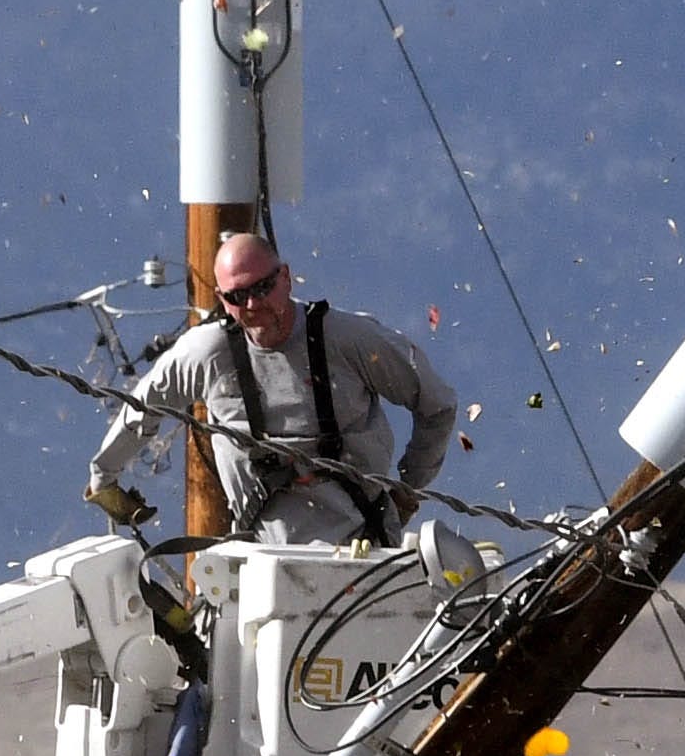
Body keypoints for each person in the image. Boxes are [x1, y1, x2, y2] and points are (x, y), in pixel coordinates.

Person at [86, 233, 458, 546]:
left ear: (285, 278)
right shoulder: (207, 352)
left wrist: (409, 488)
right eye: (237, 297)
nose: (252, 305)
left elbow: (436, 404)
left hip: (366, 548)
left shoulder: (348, 339)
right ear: (221, 299)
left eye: (263, 288)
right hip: (262, 558)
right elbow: (142, 409)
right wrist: (104, 477)